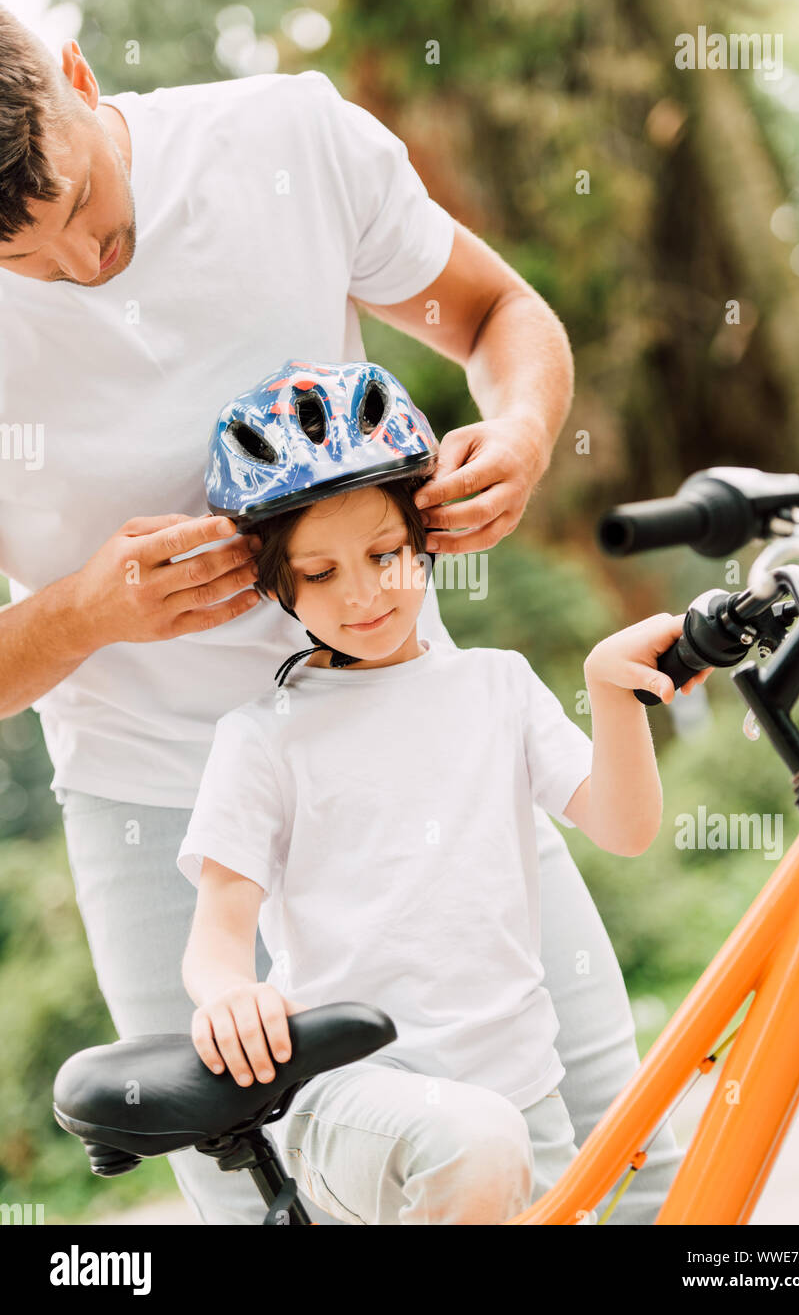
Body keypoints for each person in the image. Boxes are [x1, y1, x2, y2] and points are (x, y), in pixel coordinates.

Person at [0, 5, 684, 1223]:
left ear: (80, 75)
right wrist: (77, 614)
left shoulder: (288, 141)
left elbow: (497, 317)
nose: (85, 262)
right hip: (159, 802)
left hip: (426, 745)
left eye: (84, 204)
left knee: (620, 1166)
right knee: (266, 1200)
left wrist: (520, 434)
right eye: (25, 260)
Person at [175, 361, 710, 1225]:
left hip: (520, 1099)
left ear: (422, 541)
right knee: (474, 1140)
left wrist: (610, 693)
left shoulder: (497, 689)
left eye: (383, 555)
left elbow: (623, 827)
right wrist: (231, 993)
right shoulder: (262, 739)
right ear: (277, 585)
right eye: (318, 573)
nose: (361, 593)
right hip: (351, 1100)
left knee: (498, 1141)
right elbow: (215, 942)